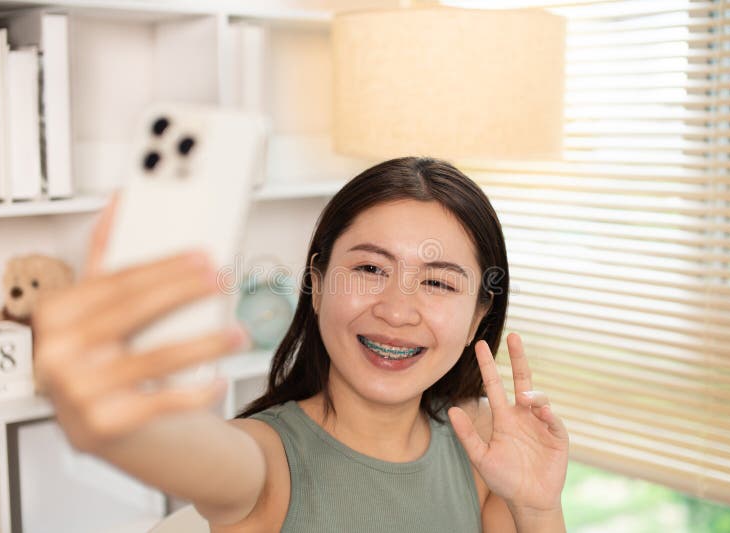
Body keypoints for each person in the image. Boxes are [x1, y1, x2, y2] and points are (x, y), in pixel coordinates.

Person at [33, 156, 569, 532]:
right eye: (369, 268)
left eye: (437, 282)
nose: (396, 310)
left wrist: (538, 510)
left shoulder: (482, 444)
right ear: (315, 286)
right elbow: (197, 454)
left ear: (480, 314)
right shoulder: (264, 460)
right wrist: (114, 422)